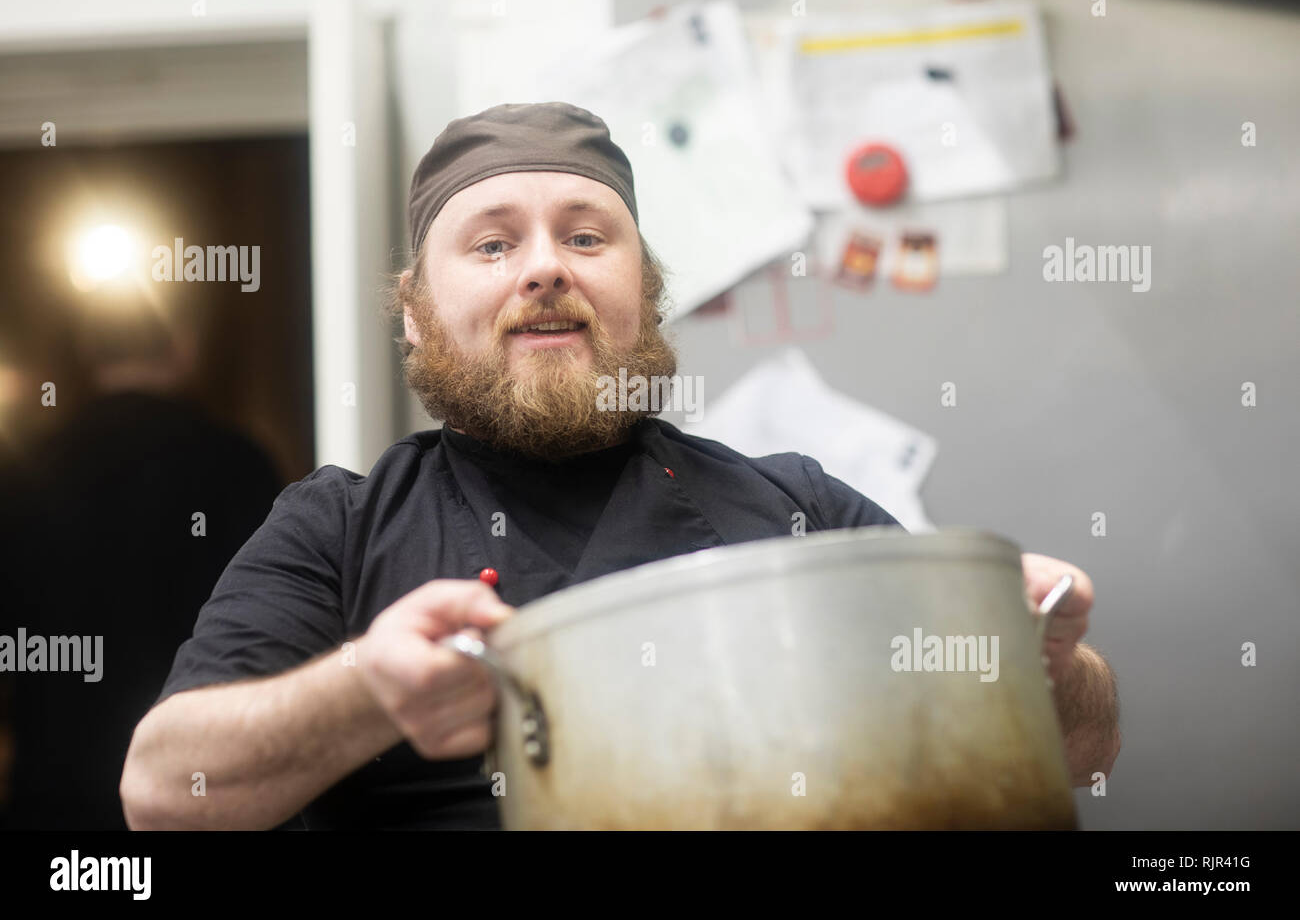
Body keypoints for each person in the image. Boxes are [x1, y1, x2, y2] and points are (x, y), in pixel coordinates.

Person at [120, 102, 1119, 831]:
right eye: (493, 242)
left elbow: (1079, 748)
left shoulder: (801, 505)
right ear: (417, 310)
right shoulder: (338, 525)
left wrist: (1045, 665)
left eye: (587, 236)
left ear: (642, 290)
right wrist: (365, 689)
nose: (547, 266)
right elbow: (165, 792)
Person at [1, 289, 282, 829]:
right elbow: (275, 639)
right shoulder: (238, 464)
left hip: (53, 794)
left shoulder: (27, 469)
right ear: (184, 344)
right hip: (201, 794)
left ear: (89, 348)